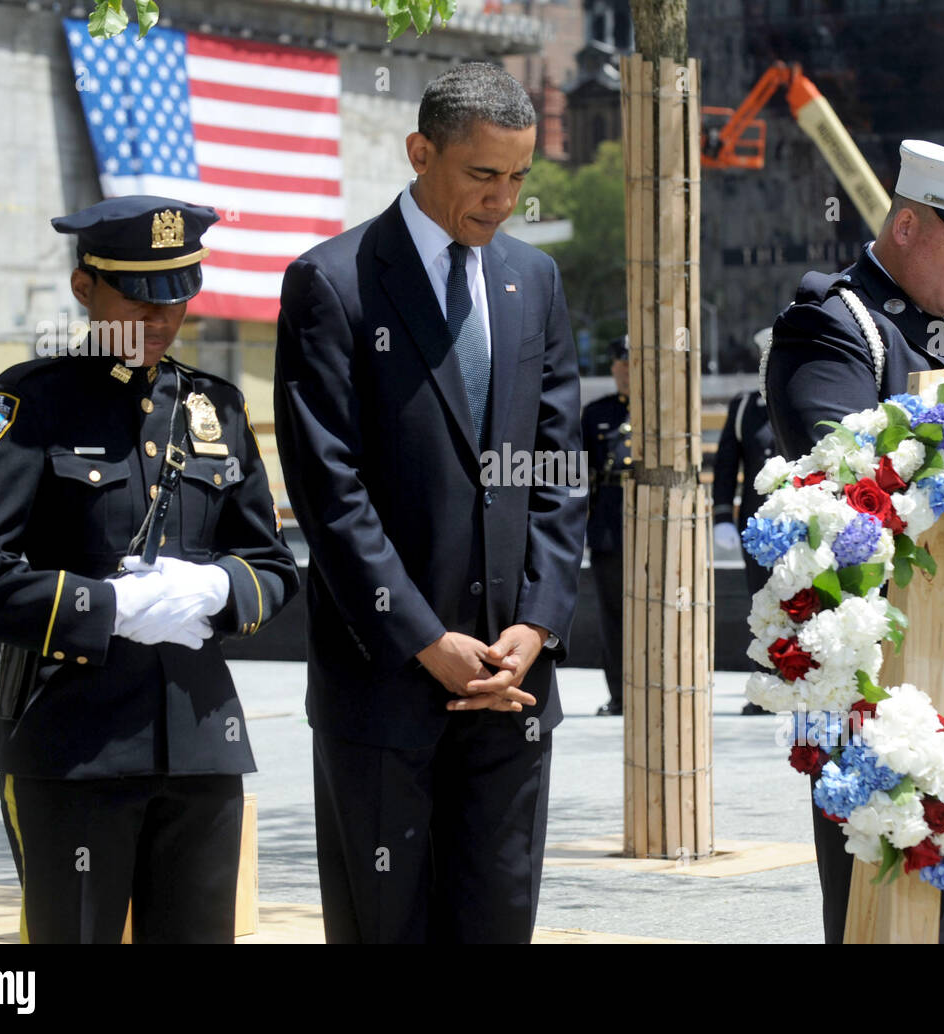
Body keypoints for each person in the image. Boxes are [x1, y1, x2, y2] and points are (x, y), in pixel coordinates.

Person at [274, 62, 587, 944]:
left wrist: (539, 623)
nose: (503, 200)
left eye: (520, 177)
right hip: (385, 688)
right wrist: (424, 640)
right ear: (420, 152)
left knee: (496, 924)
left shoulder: (536, 280)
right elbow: (329, 491)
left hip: (514, 686)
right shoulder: (332, 283)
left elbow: (558, 468)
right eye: (482, 175)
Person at [0, 196, 298, 943]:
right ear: (85, 289)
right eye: (138, 297)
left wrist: (219, 587)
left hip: (200, 745)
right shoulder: (30, 404)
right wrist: (107, 608)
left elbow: (272, 564)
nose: (161, 319)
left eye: (178, 295)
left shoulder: (216, 408)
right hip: (73, 749)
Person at [764, 140, 944, 944]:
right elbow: (849, 488)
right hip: (884, 673)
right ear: (905, 226)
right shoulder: (831, 326)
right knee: (883, 909)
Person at [712, 334, 778, 716]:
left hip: (805, 523)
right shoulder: (745, 406)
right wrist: (722, 514)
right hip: (757, 526)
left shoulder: (798, 397)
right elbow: (726, 464)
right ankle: (766, 685)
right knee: (762, 603)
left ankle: (805, 683)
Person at [582, 335, 631, 716]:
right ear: (613, 368)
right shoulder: (596, 413)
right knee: (612, 616)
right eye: (622, 364)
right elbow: (578, 475)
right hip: (609, 528)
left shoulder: (657, 412)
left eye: (634, 364)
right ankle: (618, 695)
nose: (628, 372)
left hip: (648, 525)